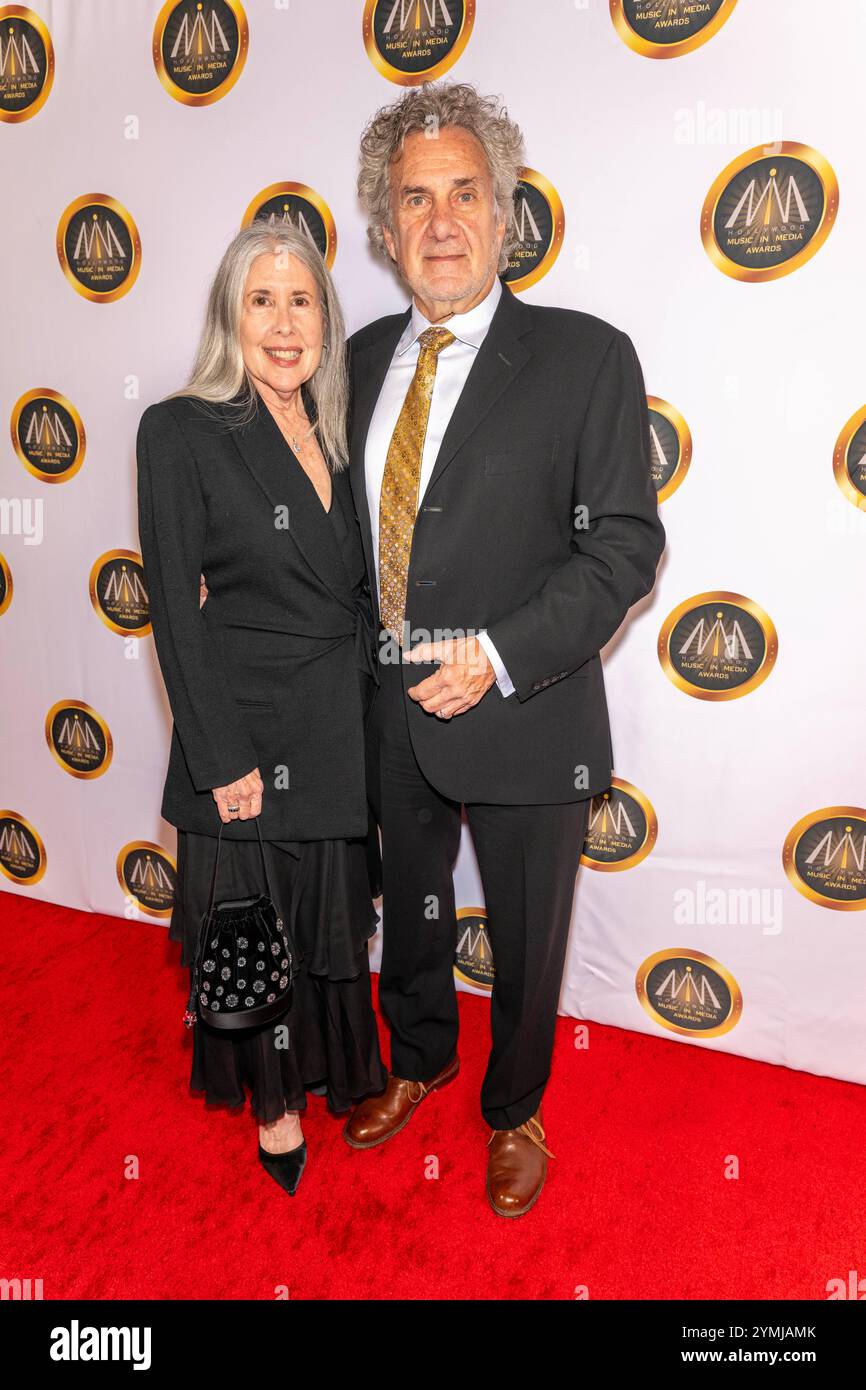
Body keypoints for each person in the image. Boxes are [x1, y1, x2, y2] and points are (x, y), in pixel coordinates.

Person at [343, 81, 666, 1216]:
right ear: (384, 232)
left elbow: (623, 545)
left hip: (526, 708)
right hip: (382, 706)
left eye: (463, 194)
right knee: (412, 905)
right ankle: (419, 1056)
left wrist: (495, 651)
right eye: (414, 200)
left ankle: (513, 1106)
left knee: (529, 934)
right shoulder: (357, 355)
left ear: (505, 212)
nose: (439, 222)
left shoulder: (586, 358)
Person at [136, 223, 387, 1196]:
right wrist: (219, 754)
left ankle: (327, 1070)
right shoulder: (182, 428)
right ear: (229, 317)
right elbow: (173, 604)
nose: (284, 324)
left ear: (324, 316)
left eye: (302, 301)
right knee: (254, 929)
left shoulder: (338, 431)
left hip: (334, 728)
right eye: (261, 301)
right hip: (243, 726)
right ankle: (275, 1107)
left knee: (325, 923)